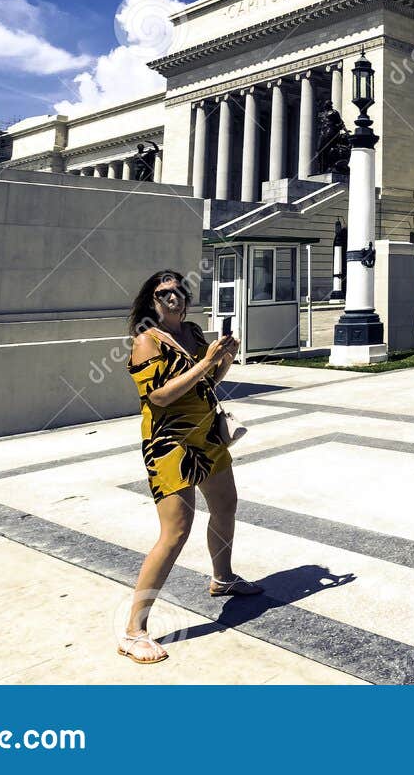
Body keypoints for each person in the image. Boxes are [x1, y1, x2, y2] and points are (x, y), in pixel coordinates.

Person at [119, 270, 262, 664]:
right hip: (169, 443)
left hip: (206, 436)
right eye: (165, 294)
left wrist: (224, 359)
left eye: (179, 292)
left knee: (226, 505)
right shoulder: (147, 342)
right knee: (176, 531)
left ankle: (222, 578)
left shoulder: (195, 333)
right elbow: (160, 396)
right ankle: (134, 630)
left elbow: (208, 383)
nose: (174, 298)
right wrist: (205, 364)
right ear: (152, 301)